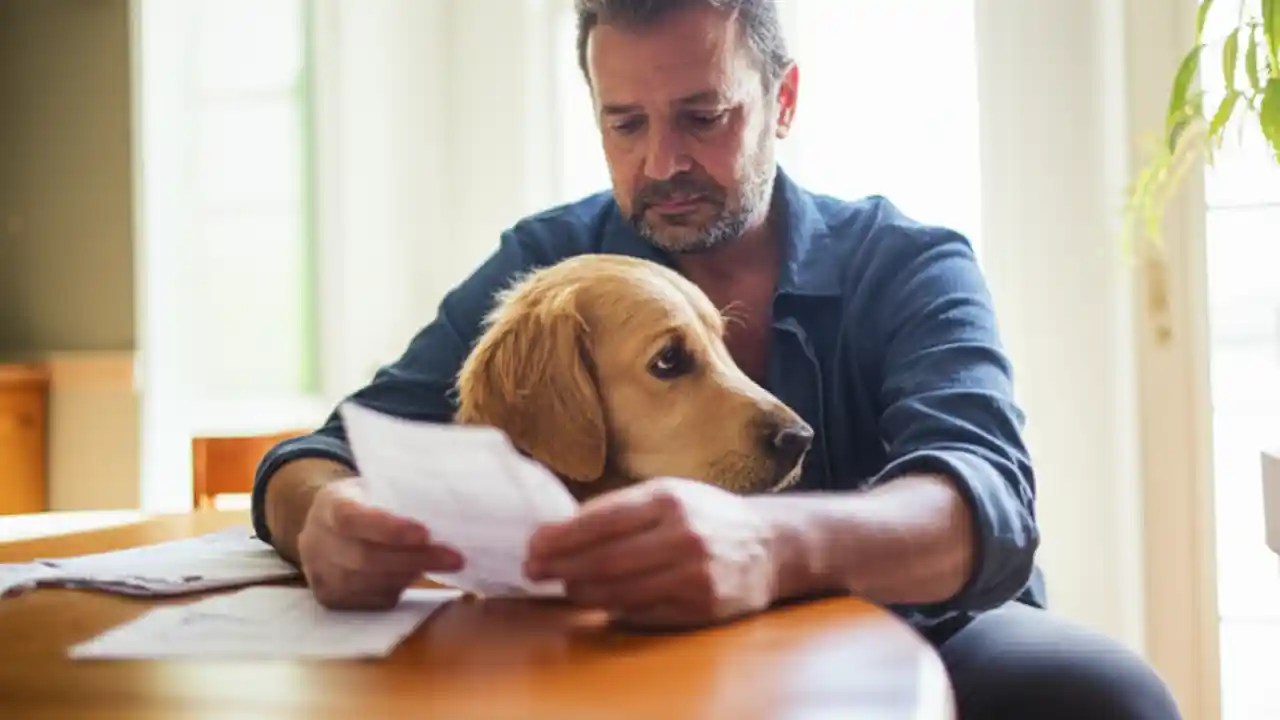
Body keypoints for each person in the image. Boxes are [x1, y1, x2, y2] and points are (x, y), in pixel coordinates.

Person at [251, 1, 1182, 717]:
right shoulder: (549, 268)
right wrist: (324, 514)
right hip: (617, 648)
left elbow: (984, 499)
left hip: (911, 635)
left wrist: (771, 546)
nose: (662, 163)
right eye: (627, 124)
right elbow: (326, 450)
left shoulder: (906, 262)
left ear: (782, 100)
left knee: (1103, 695)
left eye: (703, 116)